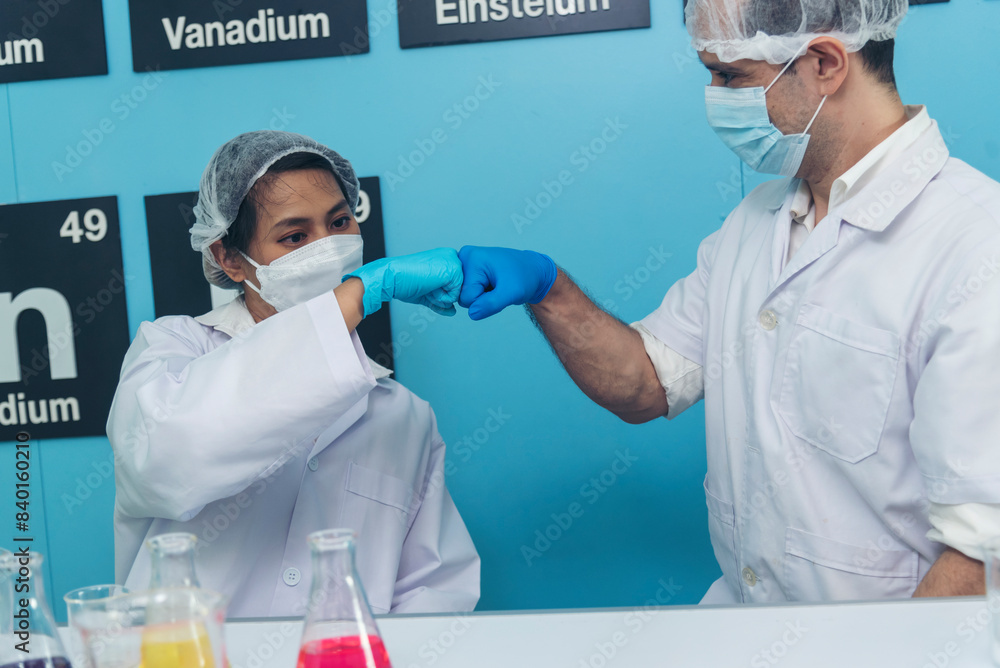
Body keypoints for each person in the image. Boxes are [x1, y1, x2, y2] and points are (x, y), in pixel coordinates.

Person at [458, 0, 1000, 604]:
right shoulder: (757, 220)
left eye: (731, 77)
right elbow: (647, 382)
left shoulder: (977, 249)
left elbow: (981, 557)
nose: (715, 98)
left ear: (824, 62)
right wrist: (549, 290)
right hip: (744, 632)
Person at [107, 131, 479, 617]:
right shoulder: (174, 351)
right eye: (295, 237)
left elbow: (433, 591)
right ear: (230, 259)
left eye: (340, 222)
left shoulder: (404, 416)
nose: (329, 248)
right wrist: (353, 298)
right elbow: (168, 461)